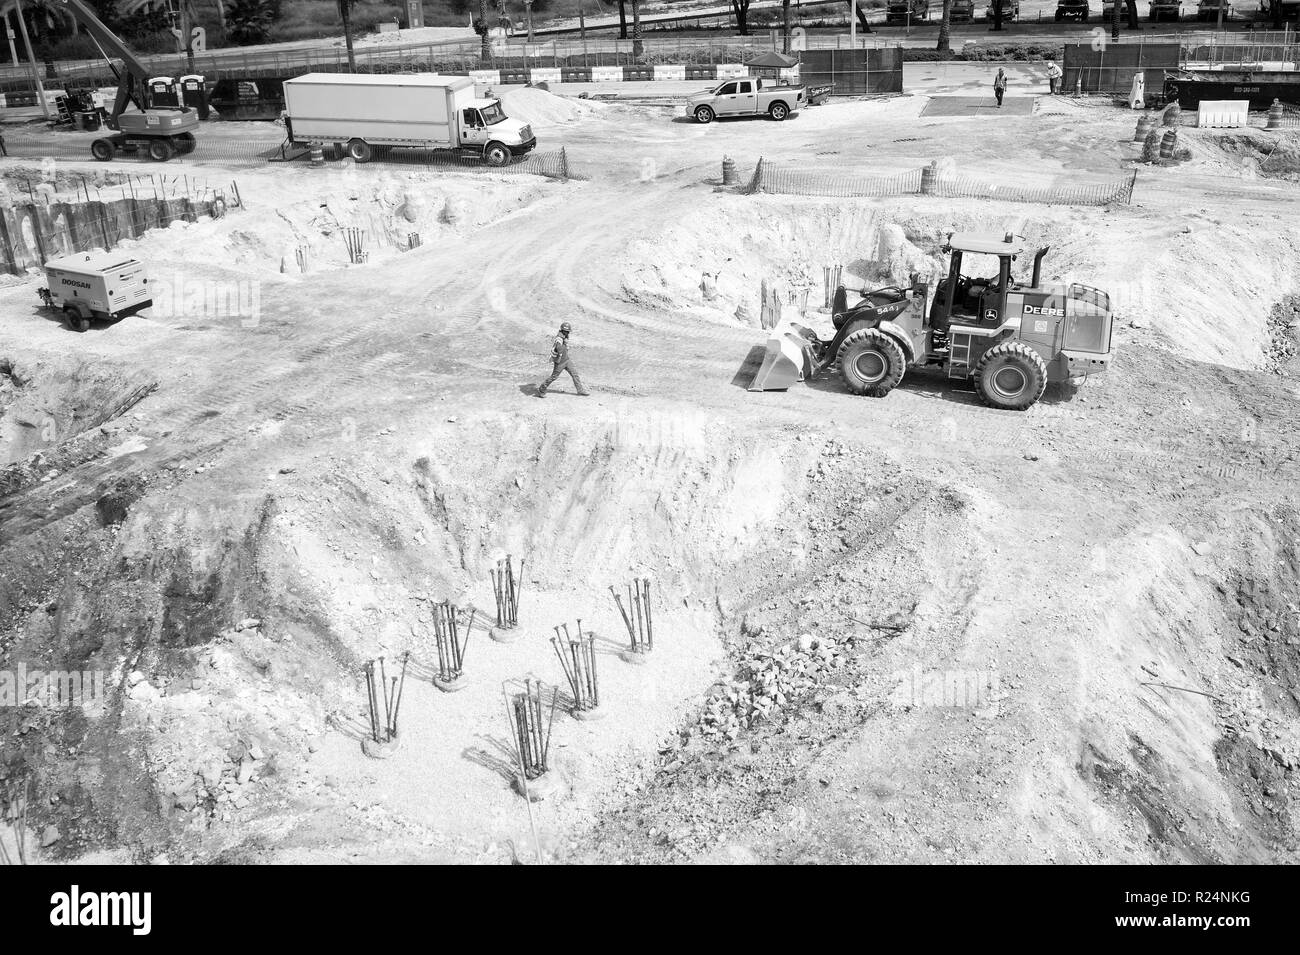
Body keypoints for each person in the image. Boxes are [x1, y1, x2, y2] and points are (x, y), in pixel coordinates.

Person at [537, 322, 590, 397]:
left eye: (568, 331)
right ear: (562, 331)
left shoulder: (564, 337)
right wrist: (564, 343)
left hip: (566, 360)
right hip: (560, 362)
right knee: (554, 377)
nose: (568, 333)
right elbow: (559, 349)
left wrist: (565, 342)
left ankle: (580, 390)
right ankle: (541, 389)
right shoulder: (559, 339)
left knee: (575, 374)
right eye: (567, 331)